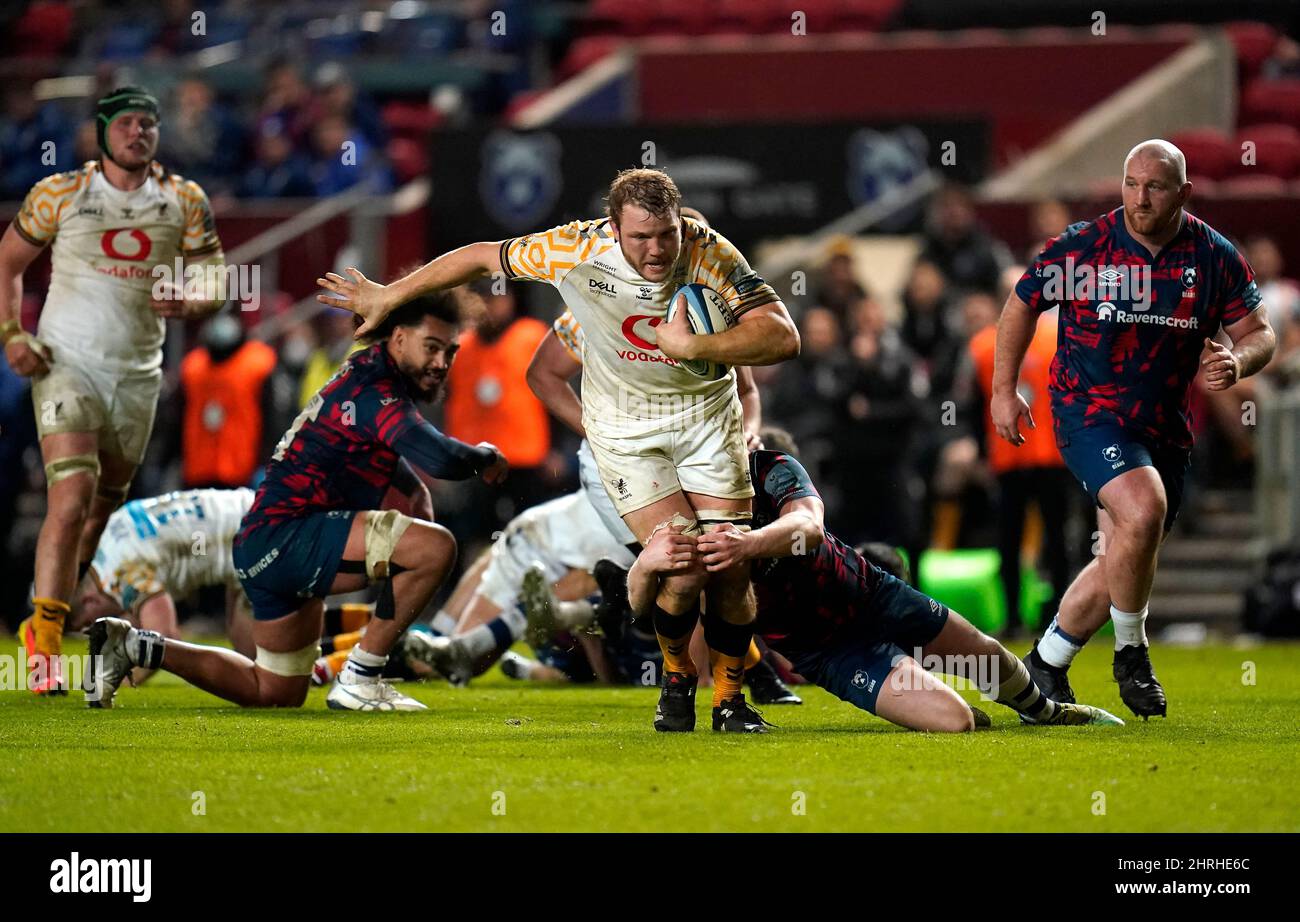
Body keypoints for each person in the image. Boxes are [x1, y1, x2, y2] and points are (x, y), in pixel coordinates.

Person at [316, 169, 800, 733]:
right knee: (682, 562)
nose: (657, 250)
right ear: (612, 228)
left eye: (666, 234)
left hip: (706, 425)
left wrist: (697, 346)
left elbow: (783, 337)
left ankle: (729, 700)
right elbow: (481, 258)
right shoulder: (576, 250)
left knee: (729, 564)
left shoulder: (709, 255)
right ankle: (671, 680)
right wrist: (393, 292)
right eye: (641, 237)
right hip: (626, 436)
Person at [86, 290, 509, 711]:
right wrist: (486, 456)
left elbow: (374, 453)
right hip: (291, 537)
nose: (441, 363)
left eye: (450, 352)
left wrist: (414, 496)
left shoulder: (364, 379)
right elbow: (439, 457)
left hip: (263, 542)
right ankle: (362, 675)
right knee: (436, 548)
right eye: (432, 347)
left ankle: (137, 646)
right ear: (398, 339)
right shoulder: (376, 389)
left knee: (273, 690)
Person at [992, 140, 1276, 718]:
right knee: (1142, 512)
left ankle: (1045, 664)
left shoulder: (1214, 255)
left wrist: (1238, 361)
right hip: (1086, 412)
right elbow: (1022, 302)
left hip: (1164, 429)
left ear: (1184, 193)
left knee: (1125, 552)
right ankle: (1132, 653)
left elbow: (1259, 331)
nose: (1139, 198)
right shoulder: (1084, 246)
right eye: (1130, 184)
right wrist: (1004, 390)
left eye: (1155, 187)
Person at [627, 428, 1124, 732]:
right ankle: (926, 684)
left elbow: (809, 527)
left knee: (984, 657)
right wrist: (644, 565)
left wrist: (747, 544)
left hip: (869, 593)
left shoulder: (770, 467)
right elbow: (648, 603)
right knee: (955, 722)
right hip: (827, 651)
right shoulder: (673, 508)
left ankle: (1047, 712)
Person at [1, 86, 226, 694]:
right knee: (70, 497)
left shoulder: (183, 199)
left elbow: (217, 279)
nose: (138, 133)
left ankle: (57, 605)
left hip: (137, 374)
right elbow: (8, 258)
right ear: (102, 133)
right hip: (66, 363)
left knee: (100, 508)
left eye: (148, 124)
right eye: (126, 123)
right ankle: (44, 640)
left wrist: (191, 300)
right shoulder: (62, 194)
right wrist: (11, 334)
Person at [70, 488, 257, 690]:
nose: (93, 629)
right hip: (246, 514)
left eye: (89, 623)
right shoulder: (109, 548)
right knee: (251, 664)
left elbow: (163, 636)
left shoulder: (125, 569)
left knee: (272, 677)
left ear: (89, 600)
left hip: (255, 532)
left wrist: (120, 682)